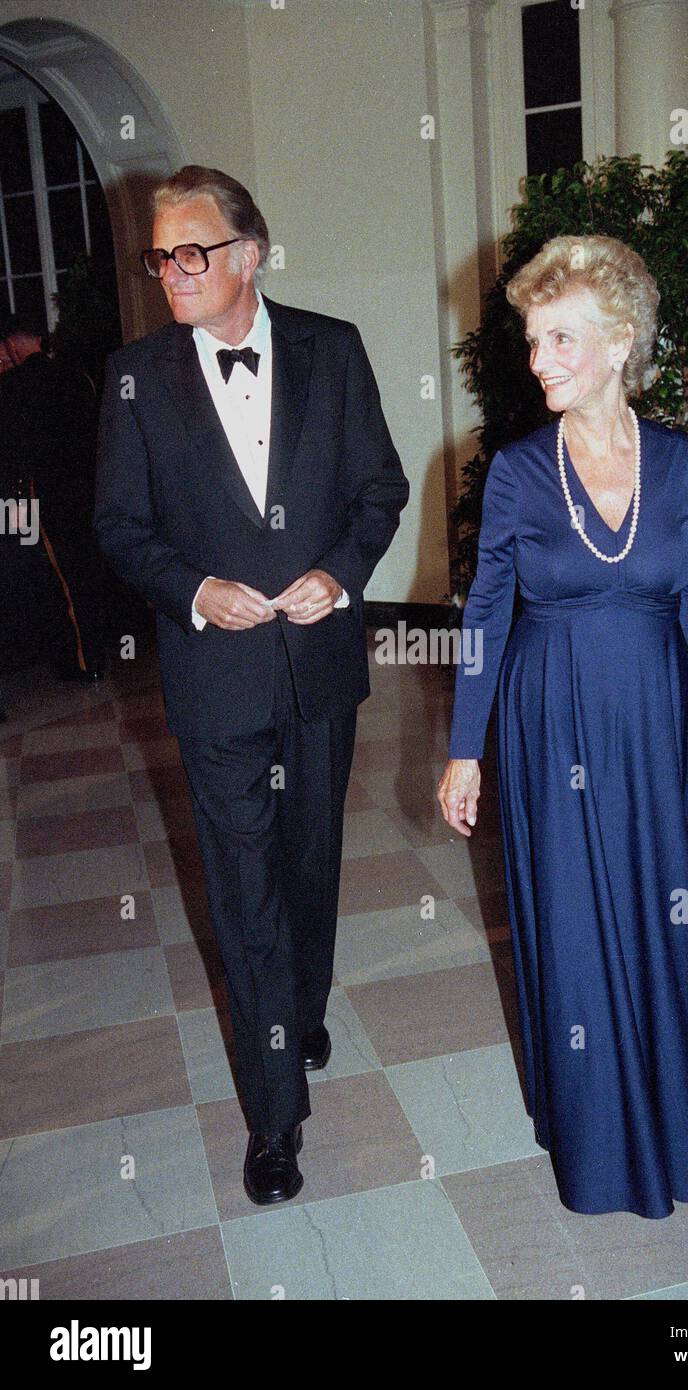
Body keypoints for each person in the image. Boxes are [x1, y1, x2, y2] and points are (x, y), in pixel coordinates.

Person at [94, 166, 408, 1205]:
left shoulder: (334, 349)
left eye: (192, 251)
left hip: (318, 667)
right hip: (214, 680)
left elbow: (380, 489)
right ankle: (275, 1117)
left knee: (311, 863)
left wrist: (340, 574)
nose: (172, 272)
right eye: (160, 256)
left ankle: (300, 1006)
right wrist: (194, 591)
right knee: (244, 887)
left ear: (250, 252)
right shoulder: (134, 377)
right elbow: (118, 527)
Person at [437, 234, 688, 1219]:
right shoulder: (516, 472)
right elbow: (485, 614)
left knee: (657, 909)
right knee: (575, 920)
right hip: (550, 720)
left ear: (620, 342)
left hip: (650, 717)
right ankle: (595, 1145)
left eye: (560, 339)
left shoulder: (682, 463)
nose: (539, 361)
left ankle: (673, 1131)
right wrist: (463, 751)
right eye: (533, 341)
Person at [0, 316, 105, 683]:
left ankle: (80, 659)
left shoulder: (13, 386)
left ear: (13, 344)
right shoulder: (78, 377)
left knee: (53, 578)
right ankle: (91, 654)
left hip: (34, 498)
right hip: (85, 490)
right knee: (83, 571)